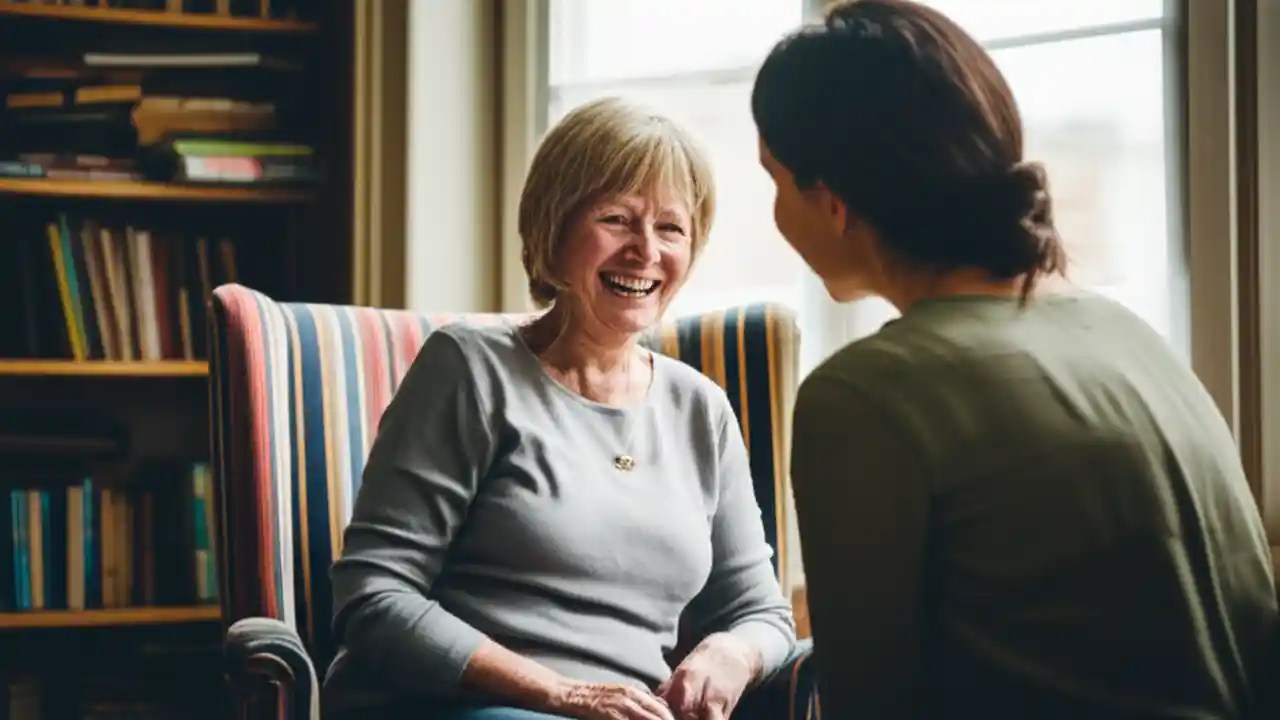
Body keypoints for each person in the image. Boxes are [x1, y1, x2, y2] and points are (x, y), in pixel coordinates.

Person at [751, 0, 1279, 717]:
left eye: (774, 181)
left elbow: (869, 704)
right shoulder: (1128, 336)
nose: (775, 213)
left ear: (832, 201)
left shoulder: (863, 394)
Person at [321, 96, 797, 720]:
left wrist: (733, 652)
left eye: (671, 228)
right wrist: (556, 692)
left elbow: (764, 614)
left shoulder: (699, 409)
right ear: (555, 226)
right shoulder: (469, 369)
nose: (646, 251)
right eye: (617, 219)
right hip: (458, 705)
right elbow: (372, 597)